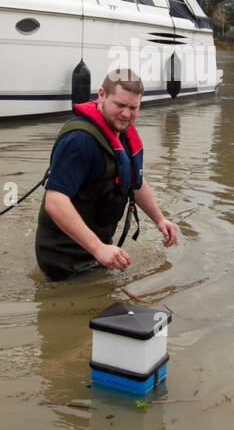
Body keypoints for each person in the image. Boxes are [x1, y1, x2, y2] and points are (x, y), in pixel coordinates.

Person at [35, 68, 178, 280]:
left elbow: (134, 180)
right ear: (101, 95)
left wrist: (160, 219)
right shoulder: (79, 140)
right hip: (64, 258)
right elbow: (55, 202)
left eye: (133, 107)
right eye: (120, 105)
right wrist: (98, 248)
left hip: (97, 250)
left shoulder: (124, 130)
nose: (126, 114)